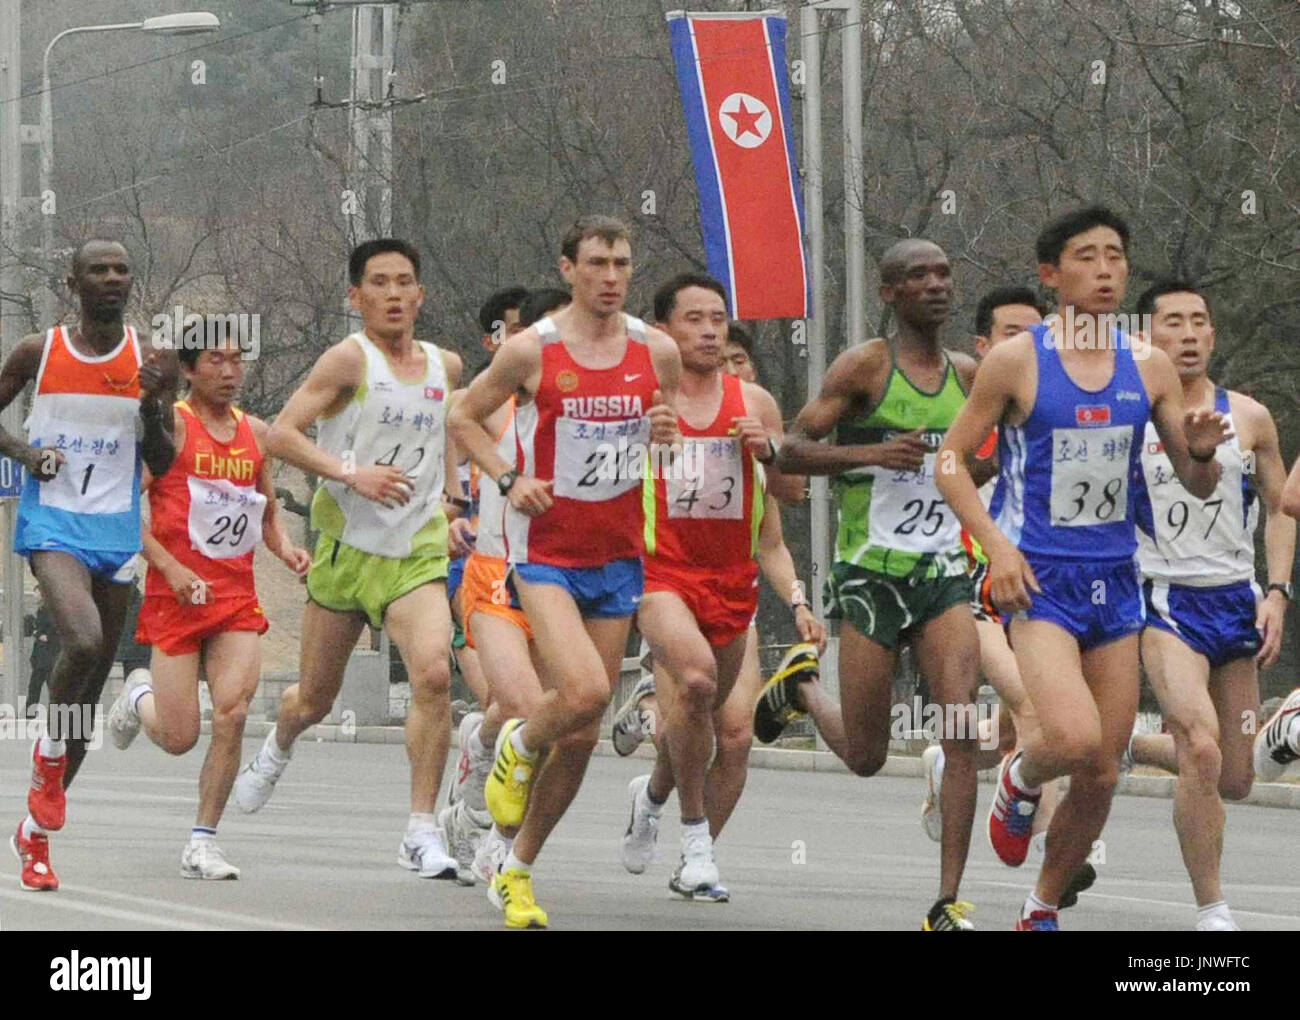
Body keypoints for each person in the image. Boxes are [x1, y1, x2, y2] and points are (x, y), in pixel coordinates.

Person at [934, 206, 1229, 930]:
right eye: (1087, 257)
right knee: (1069, 739)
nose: (1105, 270)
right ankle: (1018, 777)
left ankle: (1040, 909)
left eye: (1115, 257)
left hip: (1116, 581)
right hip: (1038, 578)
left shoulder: (1148, 365)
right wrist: (997, 548)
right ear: (1051, 274)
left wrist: (1197, 450)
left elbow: (1196, 485)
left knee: (1104, 768)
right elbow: (949, 462)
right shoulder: (1018, 361)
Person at [449, 215, 682, 928]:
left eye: (622, 263)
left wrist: (663, 437)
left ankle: (516, 869)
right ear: (569, 269)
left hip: (616, 554)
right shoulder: (532, 351)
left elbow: (658, 443)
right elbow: (461, 414)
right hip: (544, 551)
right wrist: (508, 476)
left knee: (583, 729)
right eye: (597, 264)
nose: (611, 277)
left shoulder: (657, 351)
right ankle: (517, 743)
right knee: (583, 690)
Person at [231, 238, 465, 882]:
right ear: (355, 297)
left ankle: (420, 829)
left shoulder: (447, 364)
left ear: (421, 295)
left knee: (434, 676)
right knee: (313, 699)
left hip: (415, 548)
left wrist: (454, 497)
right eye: (379, 283)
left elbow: (449, 428)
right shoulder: (348, 360)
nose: (393, 294)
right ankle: (278, 745)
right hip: (345, 550)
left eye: (404, 282)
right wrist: (350, 473)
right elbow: (279, 435)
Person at [777, 239, 988, 930]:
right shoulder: (868, 366)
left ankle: (947, 900)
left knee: (959, 726)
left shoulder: (969, 375)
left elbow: (977, 468)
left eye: (943, 272)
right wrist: (871, 452)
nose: (935, 284)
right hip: (869, 577)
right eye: (916, 276)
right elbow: (788, 450)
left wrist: (969, 474)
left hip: (942, 575)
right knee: (867, 757)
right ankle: (801, 689)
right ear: (890, 293)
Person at [616, 273, 825, 901]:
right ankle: (696, 844)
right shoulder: (642, 400)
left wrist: (769, 453)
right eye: (695, 319)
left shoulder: (753, 401)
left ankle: (651, 796)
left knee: (713, 720)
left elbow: (788, 499)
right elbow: (598, 484)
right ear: (662, 330)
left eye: (718, 318)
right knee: (700, 681)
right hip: (658, 576)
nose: (711, 331)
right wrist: (639, 448)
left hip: (732, 584)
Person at [0, 239, 176, 891]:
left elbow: (162, 460)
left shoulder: (150, 359)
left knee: (83, 710)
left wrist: (154, 408)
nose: (111, 278)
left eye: (122, 269)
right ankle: (46, 764)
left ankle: (35, 837)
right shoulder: (37, 352)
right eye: (97, 270)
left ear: (132, 282)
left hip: (116, 529)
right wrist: (24, 452)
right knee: (83, 638)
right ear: (73, 283)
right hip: (52, 522)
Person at [106, 328, 311, 878]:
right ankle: (138, 696)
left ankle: (202, 840)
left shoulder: (258, 434)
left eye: (236, 360)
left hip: (234, 599)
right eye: (216, 360)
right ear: (190, 371)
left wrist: (287, 549)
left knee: (234, 711)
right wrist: (171, 571)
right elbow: (127, 511)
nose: (229, 370)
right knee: (178, 737)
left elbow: (265, 512)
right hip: (175, 597)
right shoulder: (171, 427)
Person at [1123, 280, 1294, 930]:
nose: (1189, 334)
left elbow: (1282, 509)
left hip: (1236, 602)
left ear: (1214, 336)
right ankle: (1213, 909)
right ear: (1149, 338)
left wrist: (1277, 591)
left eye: (1200, 322)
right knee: (1201, 747)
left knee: (1236, 778)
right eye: (1174, 323)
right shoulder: (1128, 416)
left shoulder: (1249, 417)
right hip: (1163, 601)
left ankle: (1135, 743)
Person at [440, 286, 570, 885]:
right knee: (522, 706)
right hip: (494, 570)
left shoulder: (593, 407)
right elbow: (454, 434)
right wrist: (454, 509)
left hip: (562, 572)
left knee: (546, 719)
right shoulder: (488, 402)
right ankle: (474, 818)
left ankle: (493, 813)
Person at [26, 586, 59, 719]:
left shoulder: (47, 610)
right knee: (46, 685)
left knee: (37, 684)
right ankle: (55, 713)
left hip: (46, 655)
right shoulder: (44, 609)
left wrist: (42, 634)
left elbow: (54, 628)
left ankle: (31, 712)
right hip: (44, 655)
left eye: (36, 593)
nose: (35, 596)